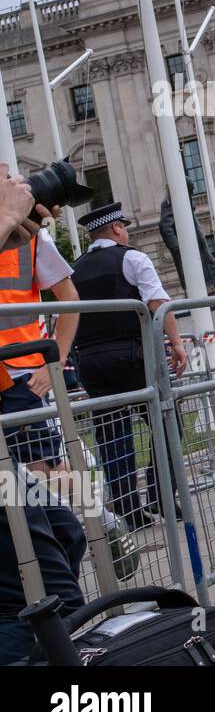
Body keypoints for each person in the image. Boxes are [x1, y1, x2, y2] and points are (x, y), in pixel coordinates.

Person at [0, 165, 86, 665]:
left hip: (20, 381)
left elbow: (68, 299)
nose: (16, 183)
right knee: (29, 578)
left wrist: (53, 362)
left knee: (62, 529)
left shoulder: (23, 238)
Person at [70, 203, 188, 532]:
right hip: (133, 358)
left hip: (91, 362)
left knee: (111, 436)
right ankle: (162, 494)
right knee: (167, 421)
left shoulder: (73, 269)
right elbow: (157, 303)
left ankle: (128, 510)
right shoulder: (132, 258)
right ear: (117, 229)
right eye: (125, 226)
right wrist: (176, 343)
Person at [0, 207, 81, 477]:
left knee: (46, 469)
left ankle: (102, 519)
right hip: (19, 372)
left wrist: (55, 361)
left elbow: (69, 297)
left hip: (21, 375)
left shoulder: (31, 234)